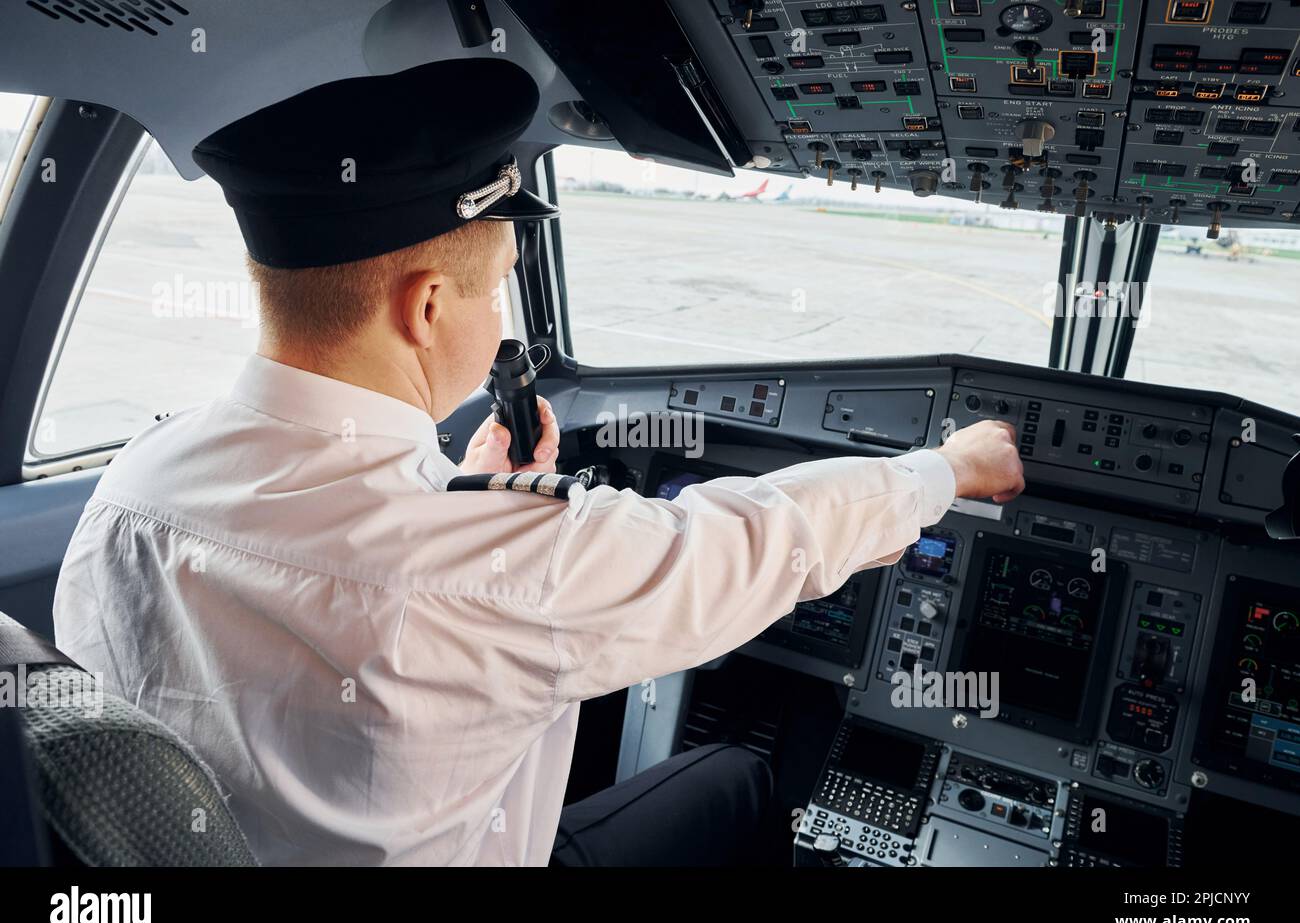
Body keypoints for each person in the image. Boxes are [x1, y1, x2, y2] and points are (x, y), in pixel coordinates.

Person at [53, 57, 1024, 866]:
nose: (502, 324)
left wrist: (458, 480)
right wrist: (946, 467)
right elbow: (747, 544)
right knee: (735, 776)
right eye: (499, 292)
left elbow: (332, 536)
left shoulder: (133, 483)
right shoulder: (483, 561)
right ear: (427, 306)